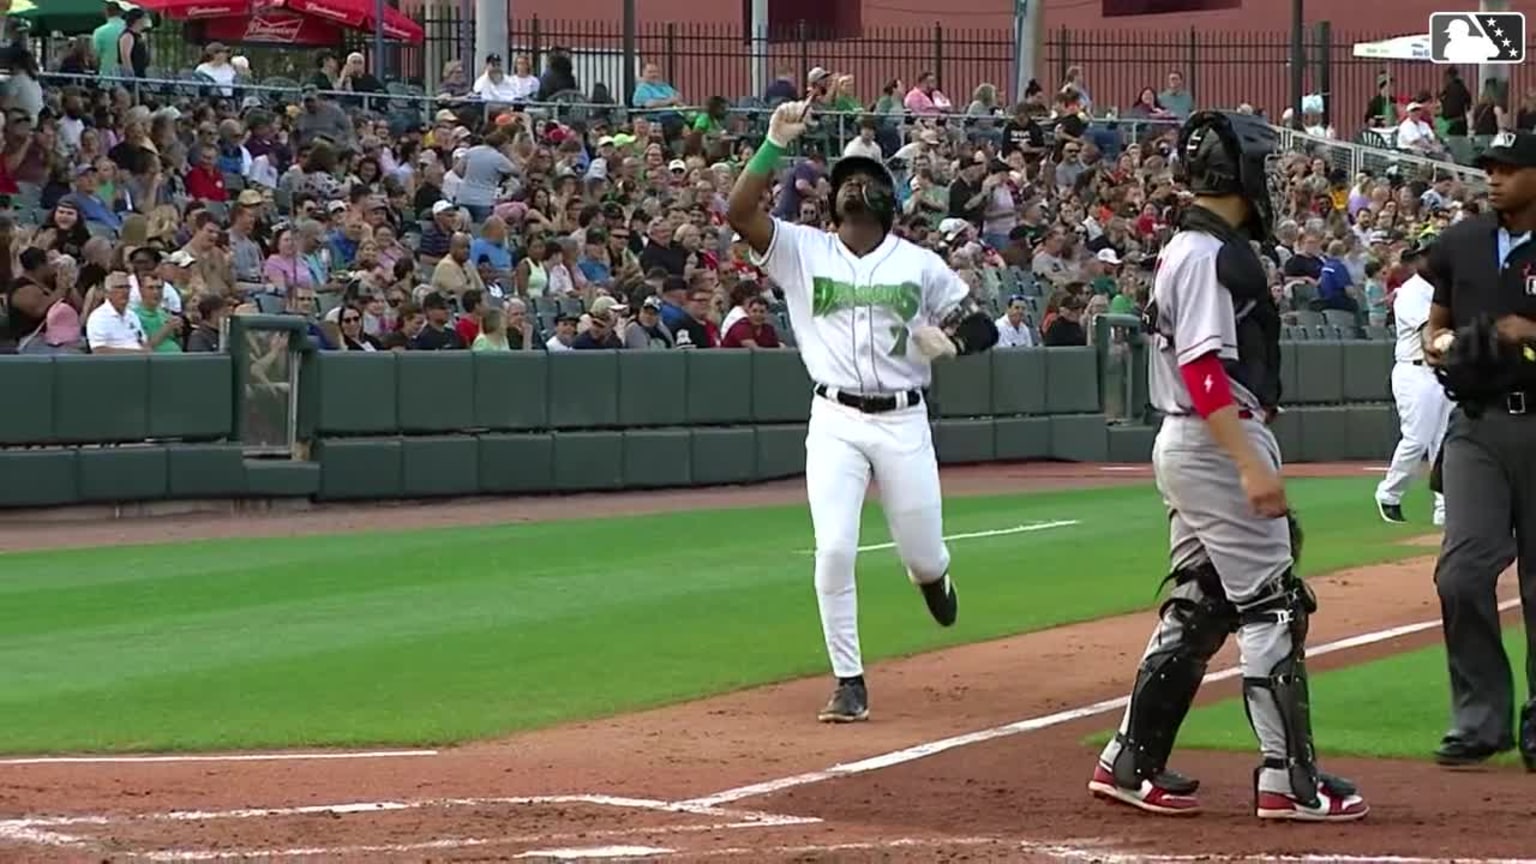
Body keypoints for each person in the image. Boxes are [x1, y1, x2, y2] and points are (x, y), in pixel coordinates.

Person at [1088, 110, 1368, 822]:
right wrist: (1248, 464)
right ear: (1238, 172)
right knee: (1273, 605)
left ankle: (1129, 760)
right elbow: (1204, 367)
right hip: (1215, 440)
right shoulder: (1207, 253)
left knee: (1203, 599)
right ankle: (1287, 779)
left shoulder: (1197, 245)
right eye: (1259, 167)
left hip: (1193, 440)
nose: (1266, 179)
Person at [725, 100, 999, 724]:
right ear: (831, 201)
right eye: (846, 177)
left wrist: (952, 343)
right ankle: (849, 681)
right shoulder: (802, 250)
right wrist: (771, 145)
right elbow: (740, 212)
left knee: (925, 555)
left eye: (868, 178)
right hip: (835, 421)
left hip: (904, 420)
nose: (855, 184)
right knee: (835, 549)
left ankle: (931, 577)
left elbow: (981, 324)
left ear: (887, 197)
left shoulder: (918, 263)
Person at [1420, 130, 1536, 772]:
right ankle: (1479, 719)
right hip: (1477, 423)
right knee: (1461, 575)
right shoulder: (1462, 241)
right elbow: (1432, 323)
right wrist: (1441, 346)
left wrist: (1528, 332)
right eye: (1489, 168)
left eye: (1510, 168)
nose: (1494, 178)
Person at [1374, 240, 1452, 527]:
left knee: (1444, 441)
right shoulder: (1411, 293)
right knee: (1417, 438)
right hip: (1414, 371)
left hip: (1440, 373)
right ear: (1418, 261)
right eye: (1427, 257)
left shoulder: (1443, 289)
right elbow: (1430, 335)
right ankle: (1389, 493)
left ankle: (1444, 507)